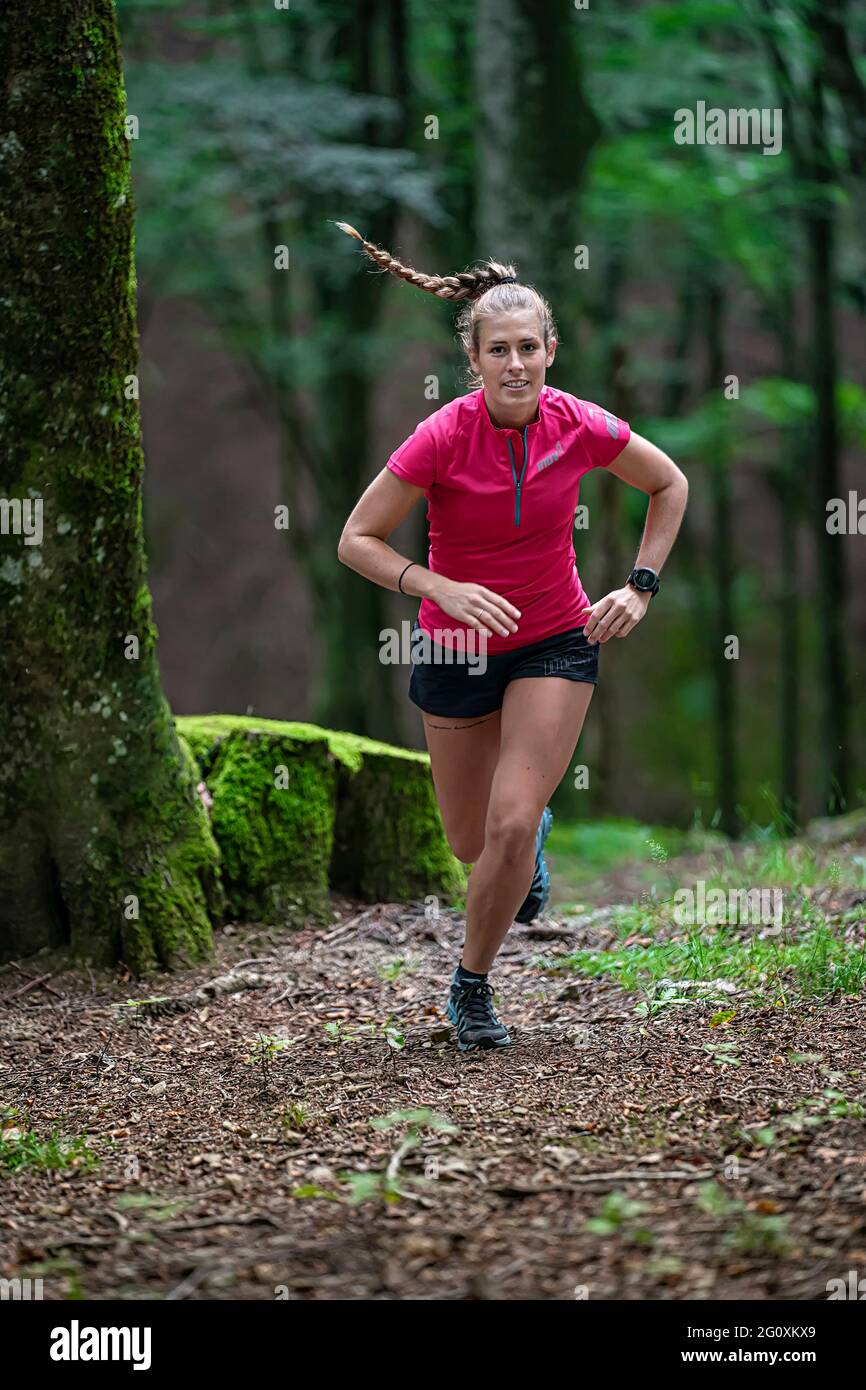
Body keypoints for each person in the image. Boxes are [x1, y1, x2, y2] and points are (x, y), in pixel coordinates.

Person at [335, 222, 688, 1052]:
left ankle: (471, 987)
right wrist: (437, 586)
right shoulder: (442, 436)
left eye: (530, 347)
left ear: (551, 350)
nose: (516, 364)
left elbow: (669, 483)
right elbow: (356, 539)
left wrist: (639, 586)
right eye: (500, 350)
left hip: (555, 640)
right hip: (455, 647)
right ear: (476, 359)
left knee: (506, 824)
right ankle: (526, 843)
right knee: (471, 841)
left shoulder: (580, 424)